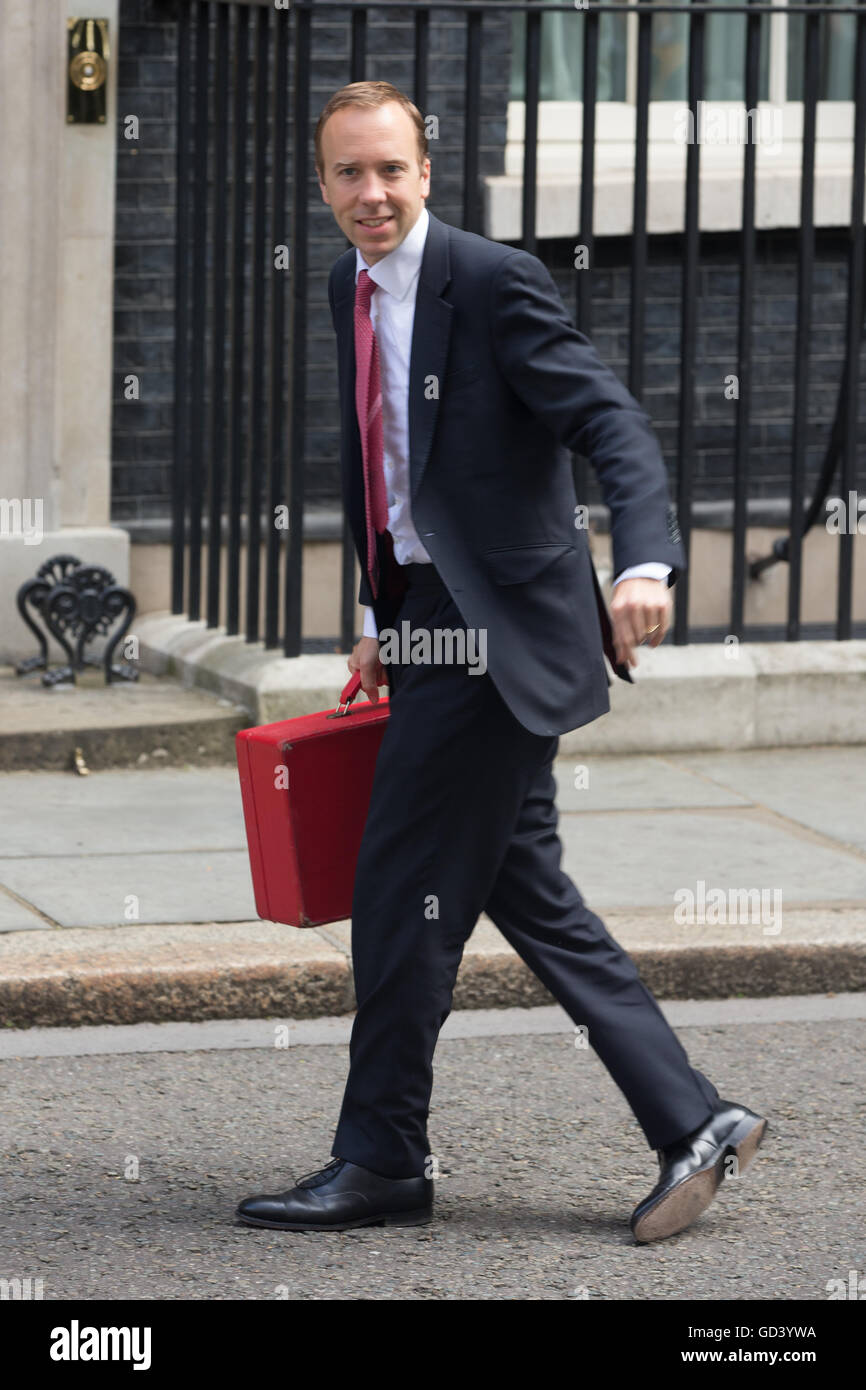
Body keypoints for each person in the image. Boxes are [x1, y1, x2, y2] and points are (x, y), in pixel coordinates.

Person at [236, 81, 767, 1242]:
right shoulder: (349, 283)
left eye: (388, 170)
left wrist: (645, 566)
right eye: (345, 175)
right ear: (321, 186)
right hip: (430, 615)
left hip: (502, 634)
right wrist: (383, 612)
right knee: (522, 886)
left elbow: (610, 424)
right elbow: (395, 465)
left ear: (426, 172)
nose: (368, 194)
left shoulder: (490, 280)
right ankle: (692, 1118)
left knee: (398, 892)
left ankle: (381, 1155)